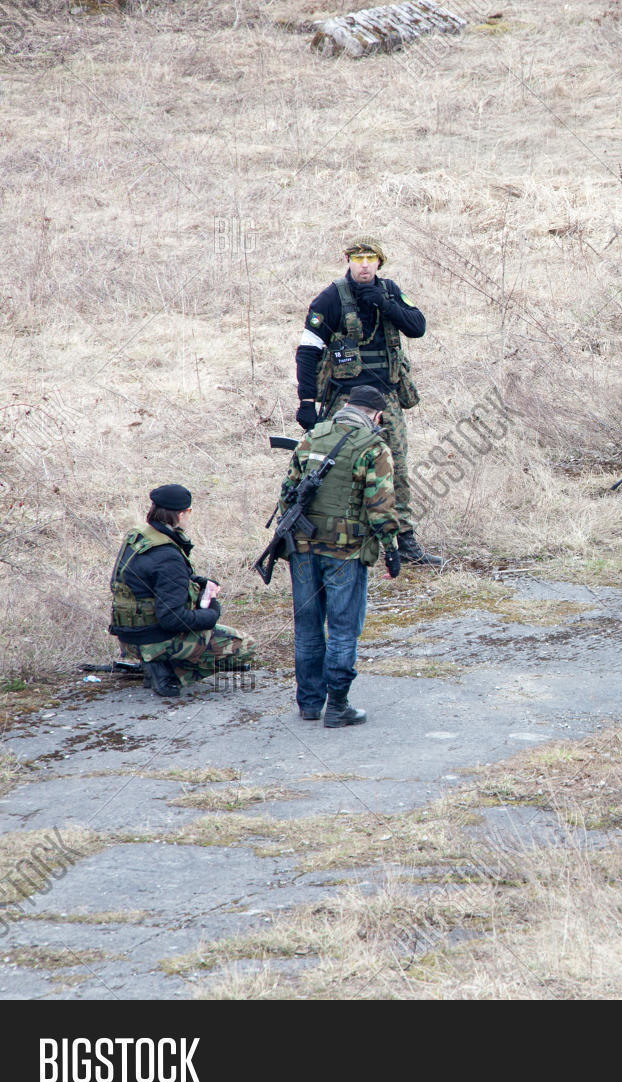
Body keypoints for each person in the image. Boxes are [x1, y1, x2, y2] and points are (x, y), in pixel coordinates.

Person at [294, 235, 443, 566]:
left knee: (397, 467)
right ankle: (335, 539)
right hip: (344, 400)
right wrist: (306, 402)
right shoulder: (330, 298)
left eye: (370, 258)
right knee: (339, 467)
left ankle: (403, 541)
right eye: (357, 258)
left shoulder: (388, 291)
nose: (363, 264)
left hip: (386, 399)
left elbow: (417, 327)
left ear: (379, 262)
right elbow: (307, 351)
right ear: (347, 260)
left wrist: (384, 304)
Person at [279, 386, 402, 725]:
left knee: (307, 629)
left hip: (302, 546)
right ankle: (337, 707)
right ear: (375, 415)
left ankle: (308, 704)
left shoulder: (313, 436)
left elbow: (287, 492)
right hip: (345, 552)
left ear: (346, 406)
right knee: (343, 630)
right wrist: (391, 549)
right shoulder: (374, 447)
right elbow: (381, 508)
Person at [108, 484, 255, 698]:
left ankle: (155, 665)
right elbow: (173, 620)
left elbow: (152, 578)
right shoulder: (168, 555)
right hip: (152, 640)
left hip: (128, 639)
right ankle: (167, 673)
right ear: (181, 514)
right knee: (245, 646)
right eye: (189, 512)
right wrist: (212, 610)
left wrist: (199, 582)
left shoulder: (139, 537)